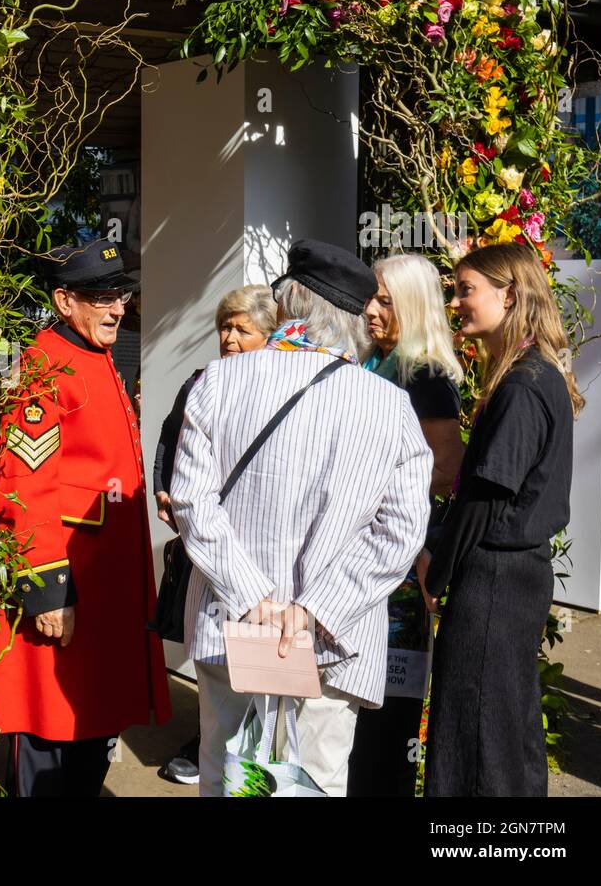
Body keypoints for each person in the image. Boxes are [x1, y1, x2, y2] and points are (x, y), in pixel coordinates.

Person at [172, 238, 432, 797]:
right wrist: (316, 609)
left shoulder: (219, 381)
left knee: (226, 775)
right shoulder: (390, 406)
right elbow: (403, 530)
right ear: (357, 318)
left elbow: (192, 502)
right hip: (333, 643)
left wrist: (252, 595)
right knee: (314, 781)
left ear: (287, 304)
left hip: (231, 624)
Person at [0, 237, 173, 796]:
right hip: (68, 595)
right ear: (66, 302)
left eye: (121, 296)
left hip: (101, 598)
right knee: (49, 744)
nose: (117, 308)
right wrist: (47, 589)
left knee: (87, 742)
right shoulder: (43, 365)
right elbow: (23, 484)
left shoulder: (93, 355)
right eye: (102, 297)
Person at [421, 242, 582, 797]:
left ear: (508, 294)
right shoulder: (532, 375)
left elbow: (486, 497)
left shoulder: (522, 384)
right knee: (506, 729)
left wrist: (438, 575)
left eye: (467, 289)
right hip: (511, 578)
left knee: (478, 735)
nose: (457, 302)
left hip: (495, 580)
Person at [348, 253, 464, 797]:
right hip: (362, 561)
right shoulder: (372, 362)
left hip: (401, 570)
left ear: (413, 307)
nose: (370, 311)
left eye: (385, 302)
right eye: (370, 298)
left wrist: (376, 501)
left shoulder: (426, 375)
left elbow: (445, 471)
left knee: (387, 720)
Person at [152, 283, 277, 785]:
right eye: (224, 327)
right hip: (204, 539)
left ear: (270, 335)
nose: (228, 338)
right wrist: (165, 490)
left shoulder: (280, 388)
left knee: (256, 656)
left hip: (257, 547)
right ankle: (209, 744)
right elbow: (169, 435)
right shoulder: (201, 380)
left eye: (241, 329)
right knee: (210, 649)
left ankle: (253, 759)